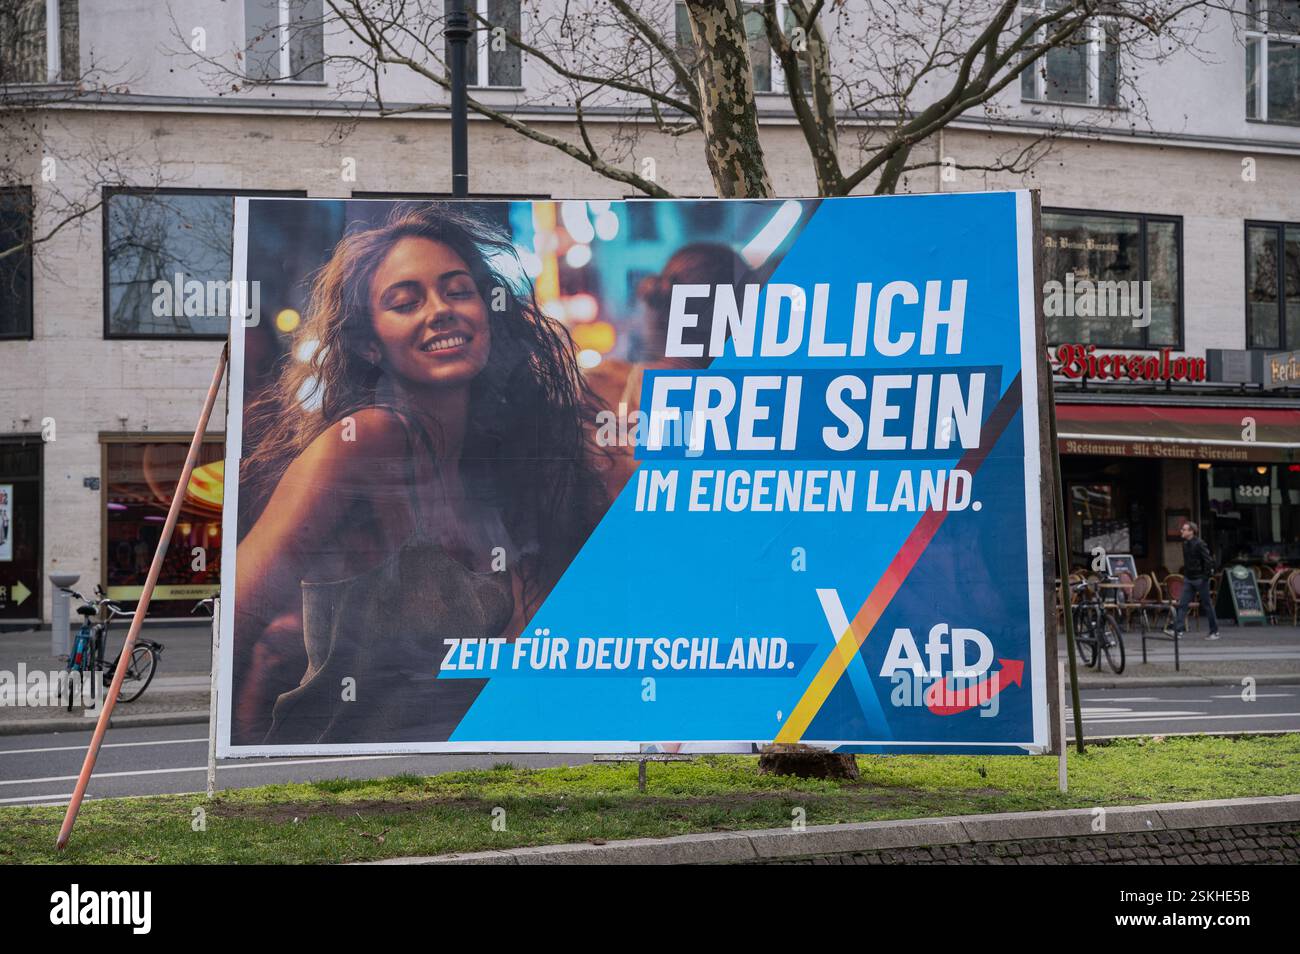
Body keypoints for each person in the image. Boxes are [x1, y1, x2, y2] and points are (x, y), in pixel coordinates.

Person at [231, 202, 609, 745]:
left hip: (450, 786)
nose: (441, 310)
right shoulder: (367, 440)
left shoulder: (490, 465)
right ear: (368, 342)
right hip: (343, 796)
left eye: (458, 291)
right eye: (406, 302)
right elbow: (247, 610)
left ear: (488, 310)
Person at [1166, 521, 1220, 641]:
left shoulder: (1200, 544)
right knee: (1183, 604)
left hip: (1200, 579)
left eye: (1184, 529)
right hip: (1189, 579)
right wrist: (1187, 575)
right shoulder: (1185, 544)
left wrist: (1204, 577)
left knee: (1207, 605)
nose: (1182, 531)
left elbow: (1208, 561)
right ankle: (1178, 631)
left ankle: (1214, 631)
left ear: (1191, 531)